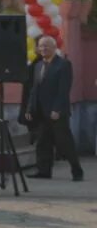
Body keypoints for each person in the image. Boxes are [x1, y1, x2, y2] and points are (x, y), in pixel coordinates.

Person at [25, 36, 84, 181]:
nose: (43, 49)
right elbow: (34, 89)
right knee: (42, 143)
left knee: (64, 142)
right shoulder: (38, 65)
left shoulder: (63, 64)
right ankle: (44, 171)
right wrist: (29, 108)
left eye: (47, 46)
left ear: (54, 47)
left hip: (57, 112)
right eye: (41, 46)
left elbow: (63, 90)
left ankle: (77, 170)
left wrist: (57, 109)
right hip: (41, 112)